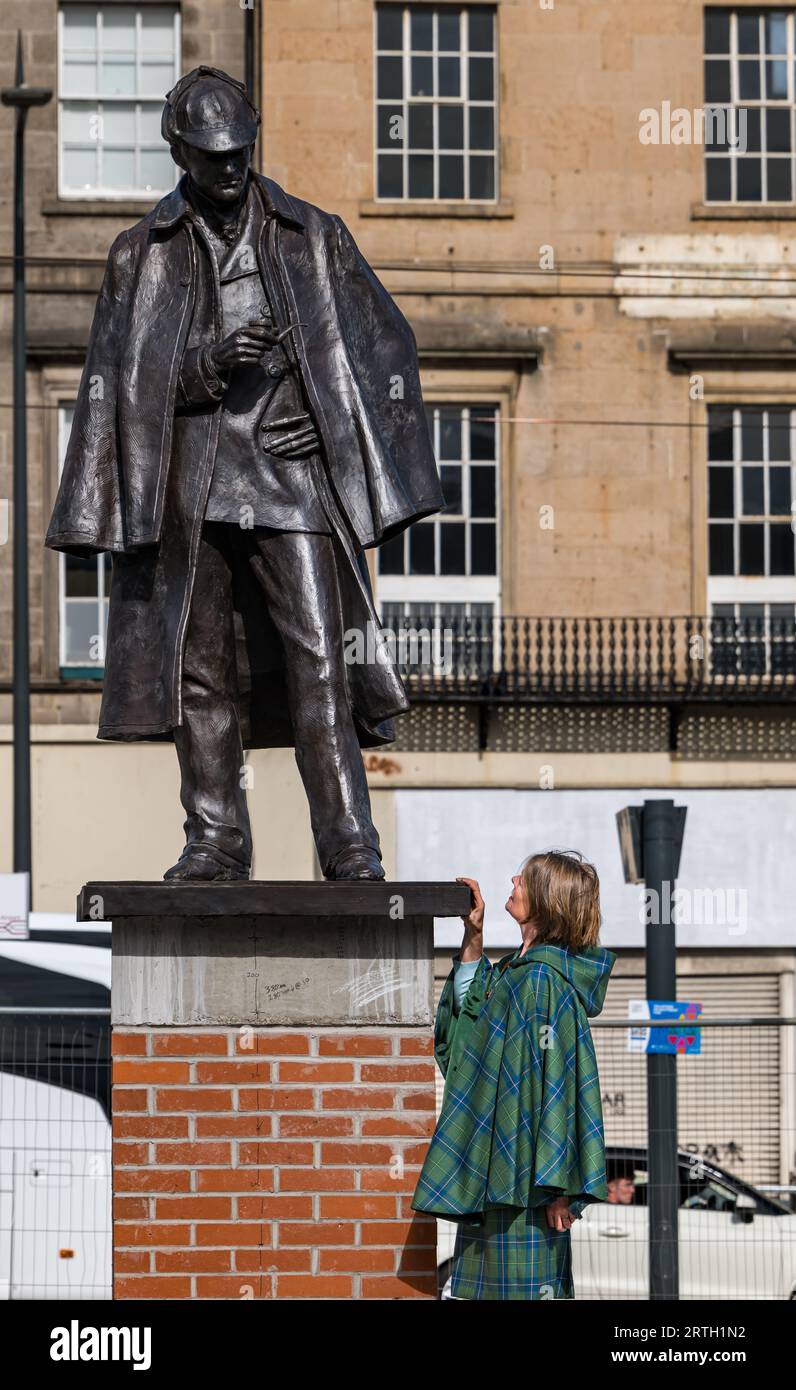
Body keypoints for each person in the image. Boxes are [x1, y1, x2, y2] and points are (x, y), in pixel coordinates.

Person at [45, 67, 442, 883]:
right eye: (211, 155)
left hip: (292, 483)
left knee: (321, 659)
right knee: (201, 674)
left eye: (240, 151)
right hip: (191, 489)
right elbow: (117, 384)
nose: (230, 168)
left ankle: (349, 843)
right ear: (178, 150)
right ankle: (216, 839)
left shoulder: (311, 235)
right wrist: (203, 364)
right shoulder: (138, 256)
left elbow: (384, 347)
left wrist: (329, 425)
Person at [412, 849, 615, 1301]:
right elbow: (467, 1030)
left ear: (545, 901)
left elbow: (560, 1087)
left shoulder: (543, 981)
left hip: (528, 1186)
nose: (513, 880)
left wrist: (559, 1188)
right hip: (496, 1171)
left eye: (524, 880)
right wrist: (474, 936)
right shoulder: (517, 973)